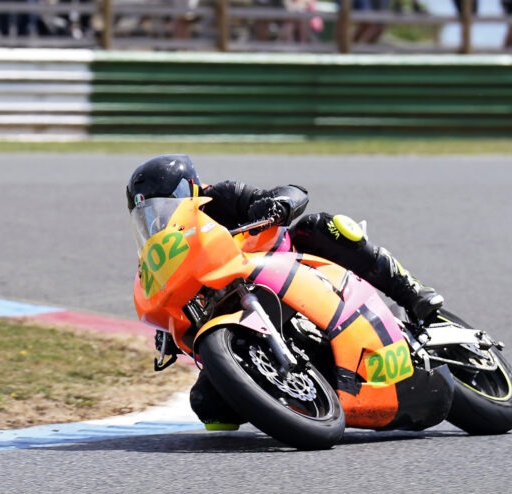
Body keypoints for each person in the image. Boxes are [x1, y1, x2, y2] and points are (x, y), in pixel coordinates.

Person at [124, 155, 443, 430]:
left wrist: (276, 204)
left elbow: (294, 193)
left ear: (190, 190)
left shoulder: (223, 196)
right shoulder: (162, 252)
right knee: (208, 407)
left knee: (326, 226)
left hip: (290, 268)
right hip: (240, 315)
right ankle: (297, 399)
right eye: (148, 213)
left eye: (166, 204)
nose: (158, 218)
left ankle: (413, 292)